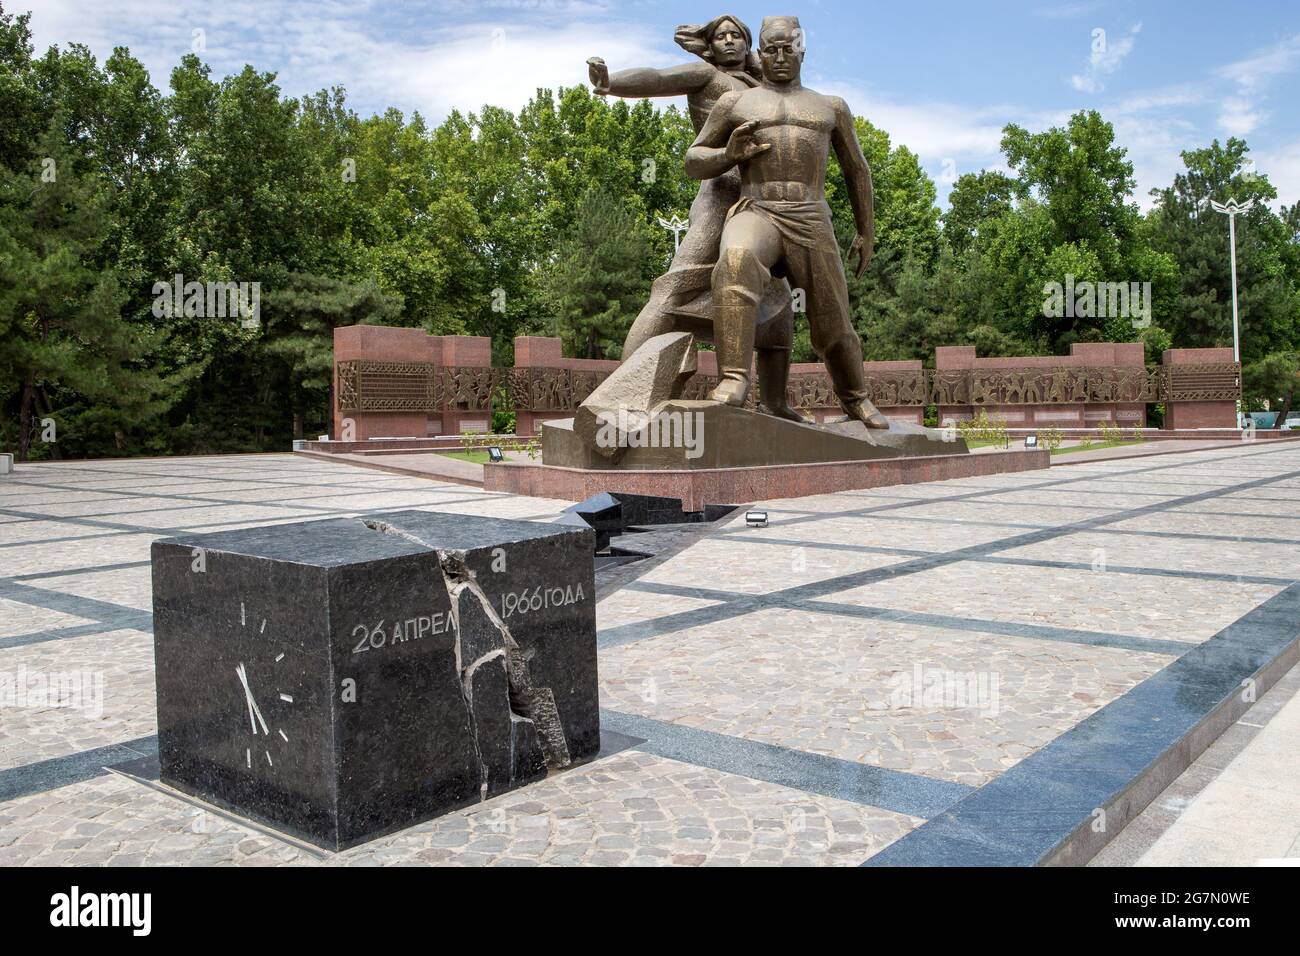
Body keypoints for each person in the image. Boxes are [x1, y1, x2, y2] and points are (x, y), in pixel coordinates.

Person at [586, 14, 803, 421]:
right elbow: (657, 78)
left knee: (777, 303)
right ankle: (623, 389)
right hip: (719, 195)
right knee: (676, 286)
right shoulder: (706, 76)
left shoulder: (763, 88)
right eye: (719, 36)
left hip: (763, 206)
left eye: (736, 36)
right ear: (708, 44)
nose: (728, 42)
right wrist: (610, 81)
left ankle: (773, 401)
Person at [684, 15, 888, 428]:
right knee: (736, 262)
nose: (779, 57)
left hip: (810, 215)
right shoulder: (735, 103)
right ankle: (735, 378)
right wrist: (728, 156)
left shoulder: (830, 106)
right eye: (770, 49)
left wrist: (866, 231)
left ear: (801, 52)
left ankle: (856, 397)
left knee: (833, 318)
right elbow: (693, 159)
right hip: (756, 207)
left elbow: (858, 171)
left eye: (787, 48)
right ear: (759, 52)